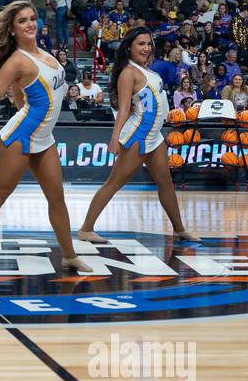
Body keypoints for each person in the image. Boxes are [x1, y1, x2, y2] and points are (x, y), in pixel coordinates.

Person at [0, 0, 90, 275]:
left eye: (32, 18)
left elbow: (23, 91)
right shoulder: (17, 61)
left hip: (44, 137)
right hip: (21, 136)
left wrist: (22, 102)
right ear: (11, 30)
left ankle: (69, 255)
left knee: (57, 197)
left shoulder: (43, 53)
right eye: (22, 21)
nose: (30, 24)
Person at [76, 29, 199, 244]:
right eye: (140, 44)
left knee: (166, 183)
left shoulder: (148, 71)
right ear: (129, 47)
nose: (146, 48)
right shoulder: (128, 73)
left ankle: (179, 229)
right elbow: (124, 110)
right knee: (113, 183)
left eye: (148, 44)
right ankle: (86, 229)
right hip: (138, 136)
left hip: (154, 136)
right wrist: (115, 139)